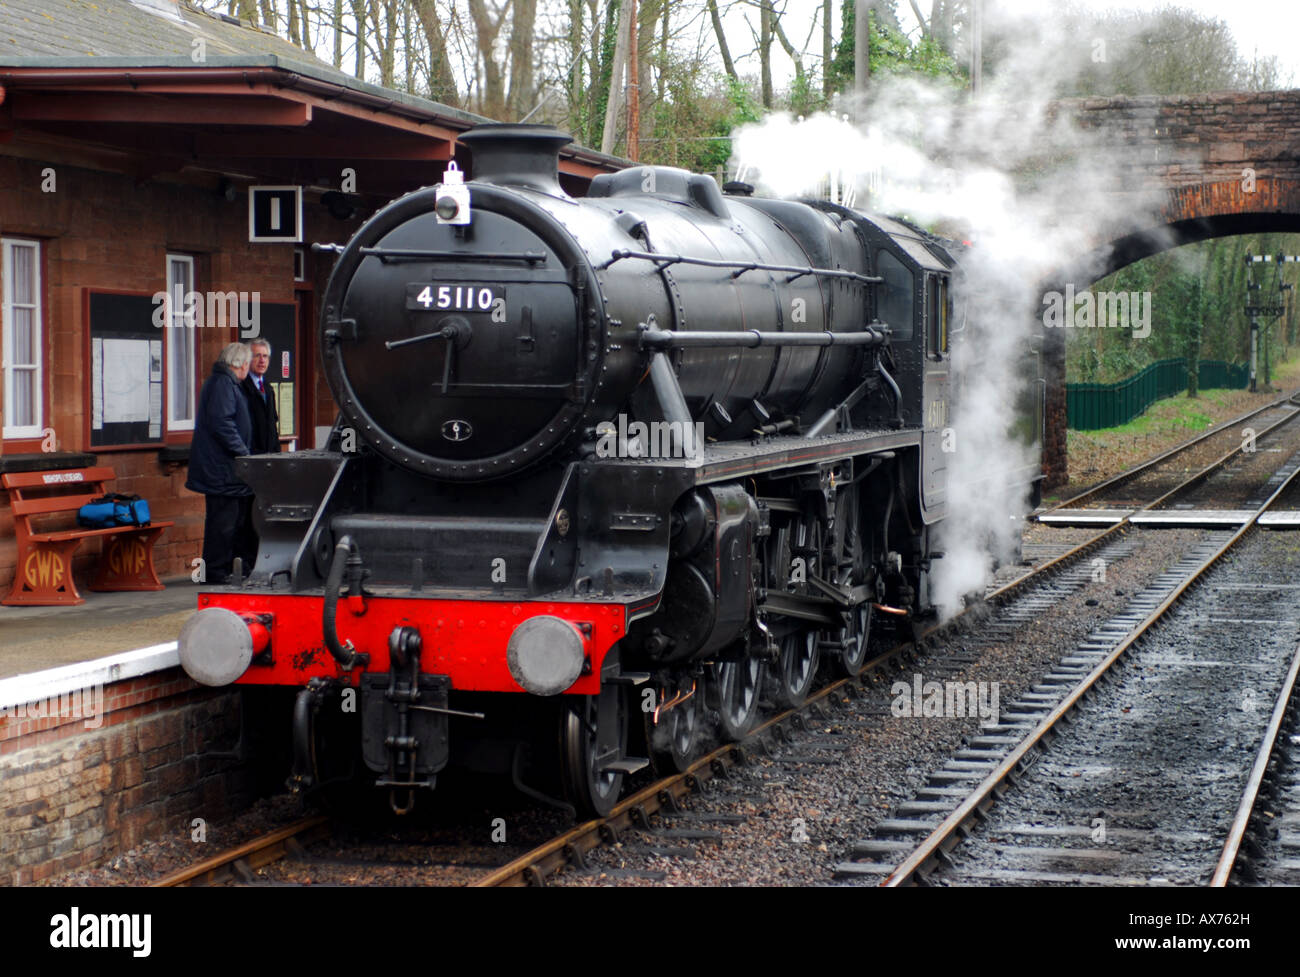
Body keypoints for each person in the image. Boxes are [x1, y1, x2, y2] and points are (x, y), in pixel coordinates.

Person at [186, 343, 254, 585]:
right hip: (221, 470)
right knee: (222, 523)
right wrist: (243, 452)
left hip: (223, 469)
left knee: (229, 521)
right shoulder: (224, 385)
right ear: (242, 364)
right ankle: (215, 571)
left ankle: (223, 568)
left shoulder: (222, 383)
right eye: (248, 363)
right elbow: (222, 424)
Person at [241, 338, 281, 455]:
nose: (262, 361)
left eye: (265, 356)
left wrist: (277, 453)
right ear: (247, 359)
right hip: (251, 457)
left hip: (270, 458)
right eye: (257, 356)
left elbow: (273, 425)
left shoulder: (268, 388)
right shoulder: (241, 387)